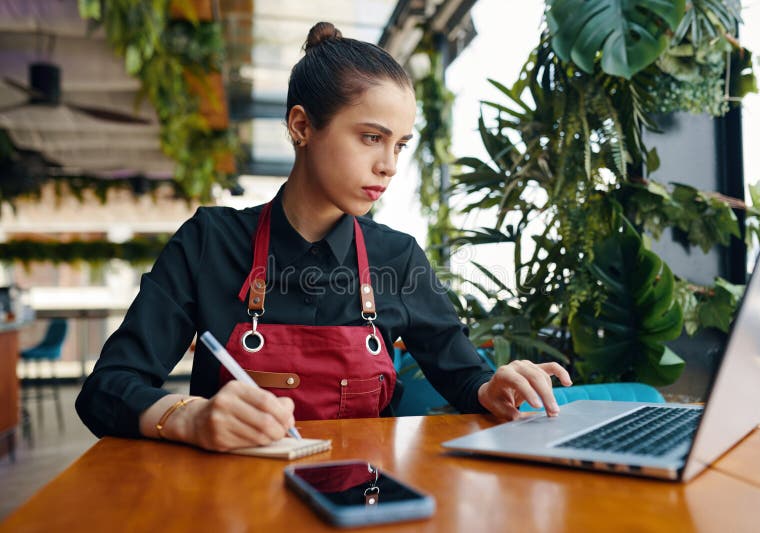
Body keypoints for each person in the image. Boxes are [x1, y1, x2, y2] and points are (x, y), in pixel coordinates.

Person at [76, 22, 572, 452]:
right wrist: (188, 417)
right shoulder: (209, 242)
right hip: (231, 501)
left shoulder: (396, 258)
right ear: (301, 126)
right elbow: (107, 389)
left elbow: (465, 376)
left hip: (368, 498)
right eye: (371, 137)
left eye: (400, 144)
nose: (389, 165)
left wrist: (492, 387)